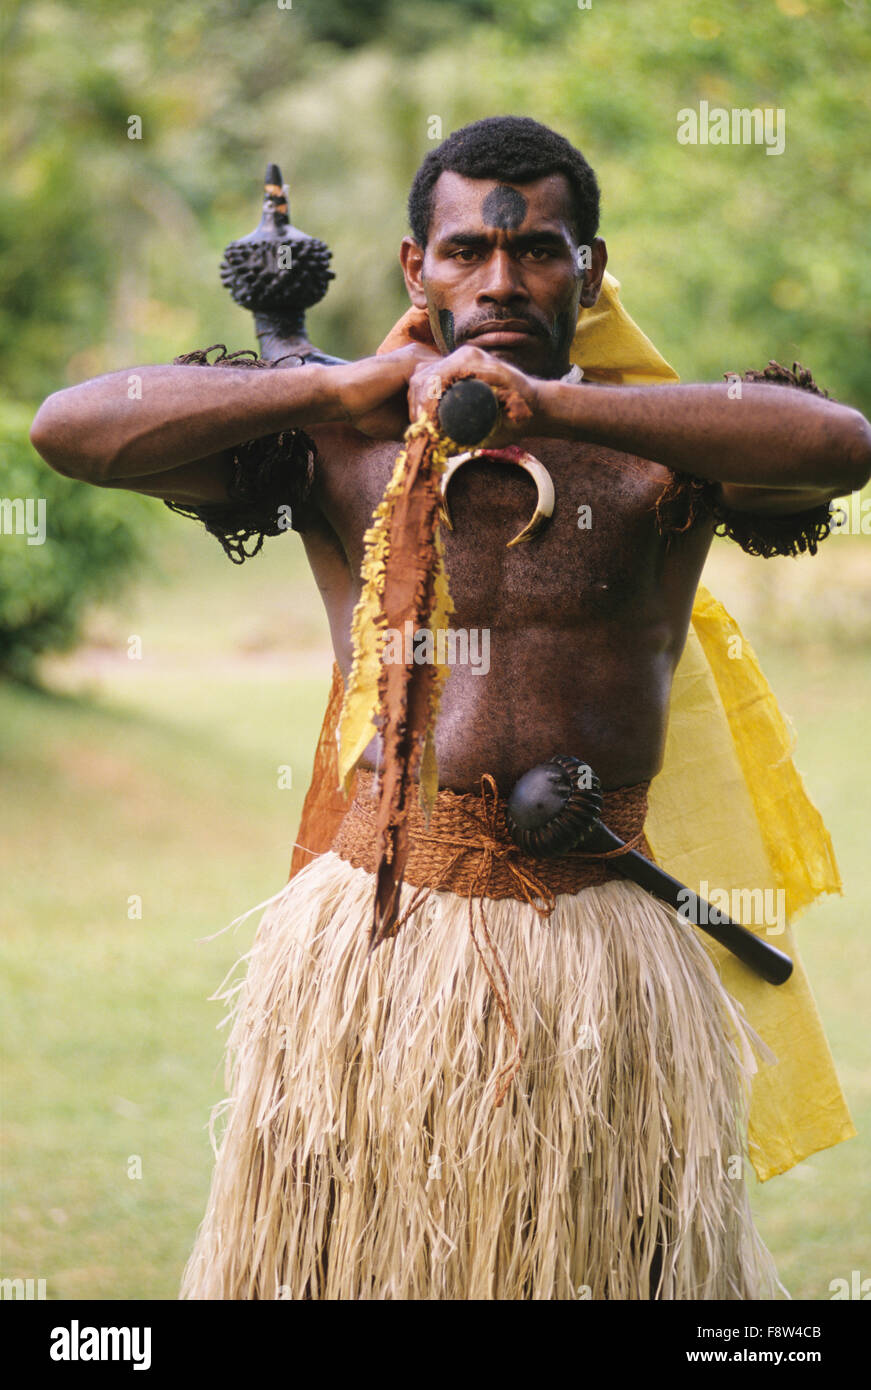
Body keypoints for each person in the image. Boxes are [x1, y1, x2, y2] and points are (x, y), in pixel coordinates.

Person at [30, 116, 869, 1300]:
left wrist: (551, 408)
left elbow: (837, 444)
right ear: (414, 268)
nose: (502, 278)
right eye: (468, 250)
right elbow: (70, 431)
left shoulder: (661, 449)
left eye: (538, 252)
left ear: (588, 266)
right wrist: (357, 381)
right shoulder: (338, 443)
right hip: (379, 942)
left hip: (602, 958)